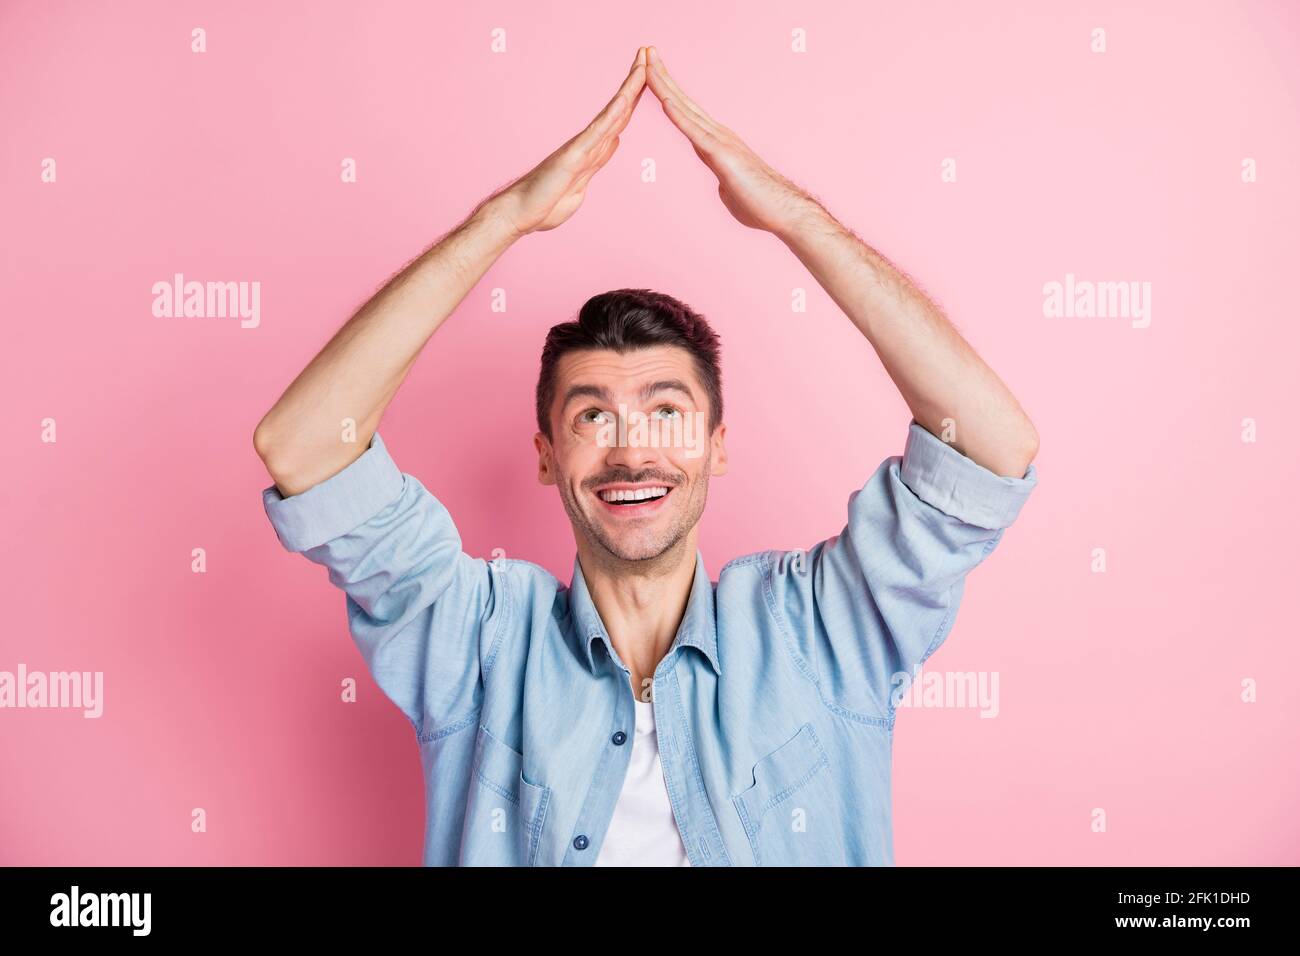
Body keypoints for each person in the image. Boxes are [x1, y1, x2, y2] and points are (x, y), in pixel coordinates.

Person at [254, 46, 1040, 866]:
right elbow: (303, 443)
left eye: (667, 412)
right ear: (547, 456)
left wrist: (798, 221)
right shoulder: (477, 642)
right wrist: (505, 219)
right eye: (592, 416)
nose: (632, 450)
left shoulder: (819, 630)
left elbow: (991, 445)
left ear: (716, 447)